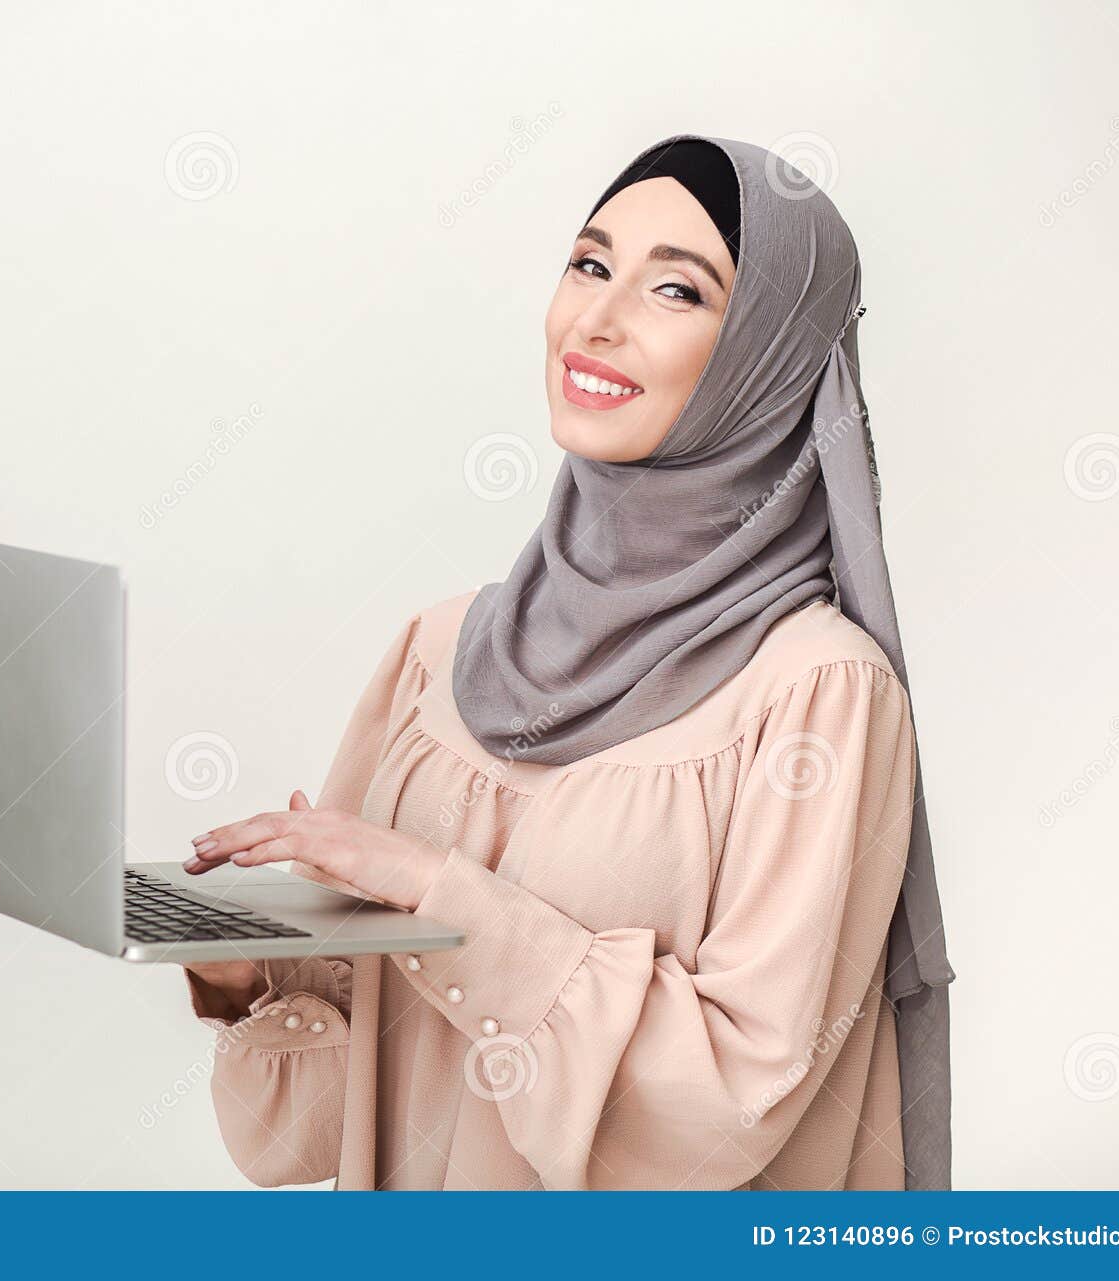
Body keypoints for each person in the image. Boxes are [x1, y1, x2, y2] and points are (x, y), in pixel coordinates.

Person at [178, 133, 953, 1191]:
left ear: (766, 360)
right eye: (589, 265)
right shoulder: (440, 651)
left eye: (674, 289)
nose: (595, 320)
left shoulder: (819, 693)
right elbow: (341, 1112)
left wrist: (435, 893)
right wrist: (241, 974)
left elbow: (732, 1107)